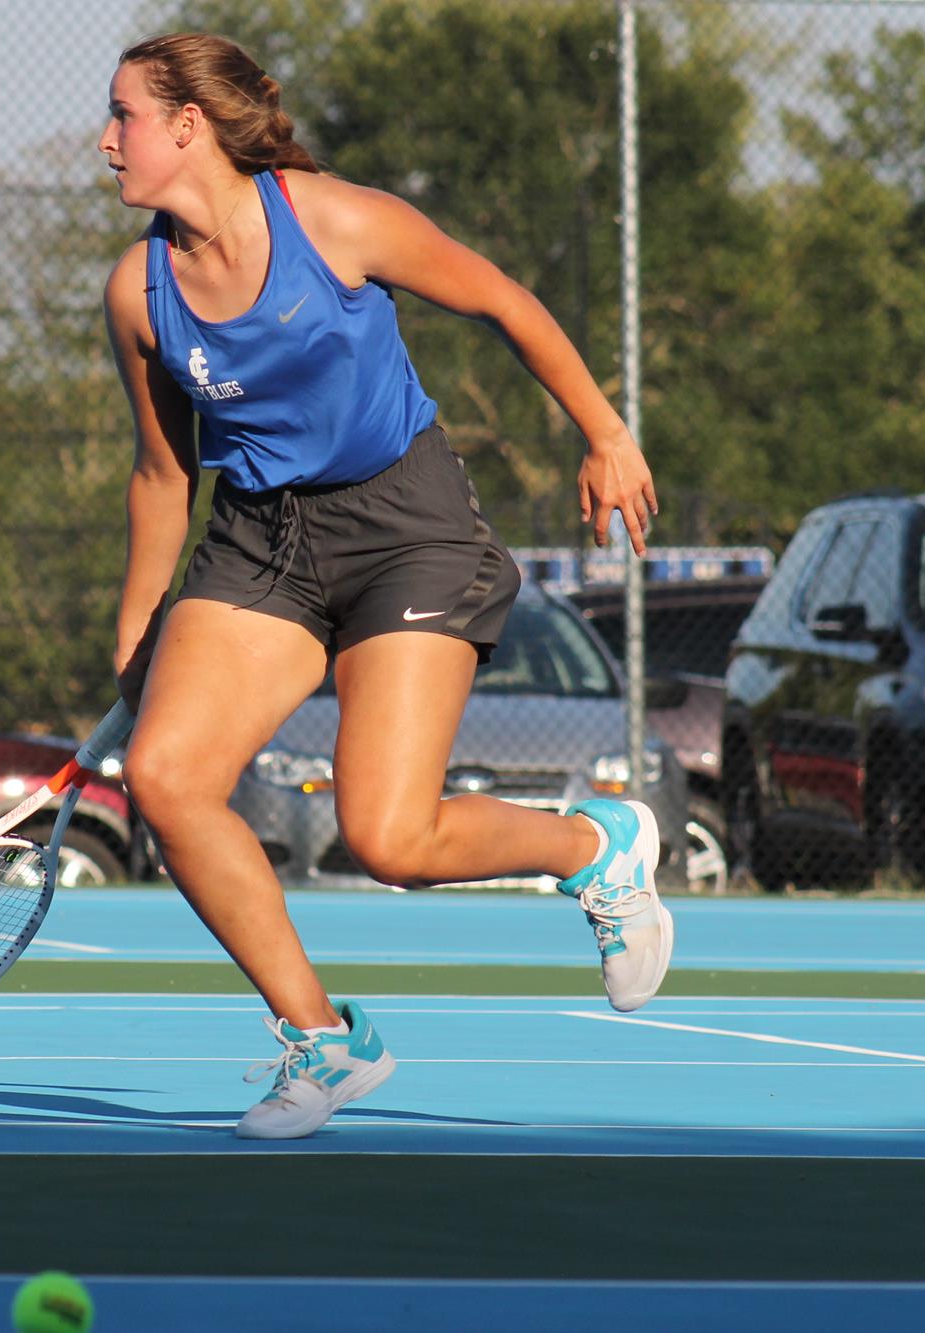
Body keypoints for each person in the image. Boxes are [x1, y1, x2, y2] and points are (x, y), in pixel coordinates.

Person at [98, 32, 670, 1140]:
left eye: (122, 114)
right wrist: (133, 642)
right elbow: (164, 474)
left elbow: (502, 300)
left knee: (389, 840)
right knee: (164, 775)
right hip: (257, 540)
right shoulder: (138, 291)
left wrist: (604, 432)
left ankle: (594, 848)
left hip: (405, 526)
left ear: (186, 127)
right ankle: (322, 1040)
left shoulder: (333, 220)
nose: (103, 138)